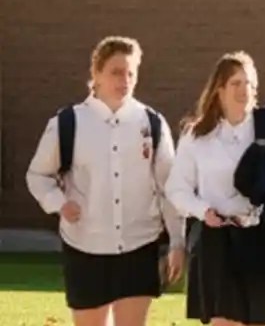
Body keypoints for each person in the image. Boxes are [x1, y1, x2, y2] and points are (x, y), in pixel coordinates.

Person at [25, 36, 185, 326]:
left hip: (140, 245)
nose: (125, 80)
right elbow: (37, 175)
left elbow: (169, 187)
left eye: (131, 73)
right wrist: (59, 203)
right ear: (96, 74)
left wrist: (177, 241)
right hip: (85, 246)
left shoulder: (152, 123)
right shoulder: (67, 123)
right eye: (116, 71)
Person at [165, 51, 265, 326]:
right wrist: (203, 211)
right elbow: (177, 190)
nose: (243, 90)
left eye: (249, 83)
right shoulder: (197, 135)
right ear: (219, 89)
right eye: (235, 83)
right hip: (217, 243)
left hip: (263, 243)